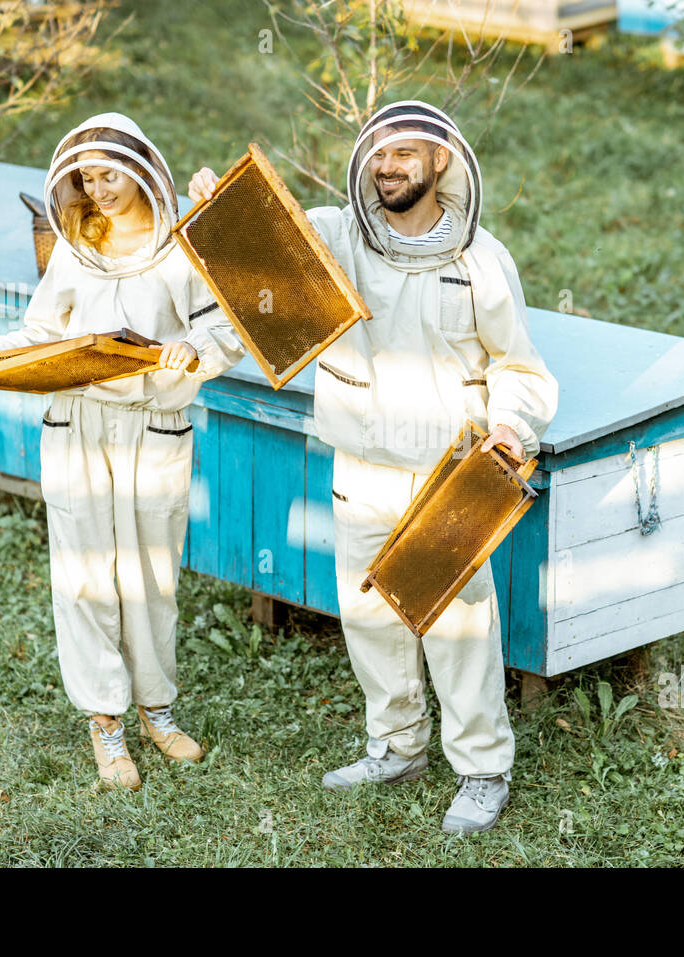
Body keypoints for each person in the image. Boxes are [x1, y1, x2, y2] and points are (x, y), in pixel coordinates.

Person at [190, 101, 557, 833]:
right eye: (377, 155)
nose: (388, 167)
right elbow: (262, 261)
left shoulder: (482, 261)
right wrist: (221, 207)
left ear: (442, 160)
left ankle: (483, 769)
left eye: (405, 153)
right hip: (358, 465)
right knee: (370, 622)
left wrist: (514, 426)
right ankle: (396, 746)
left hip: (450, 479)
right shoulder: (335, 236)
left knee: (461, 631)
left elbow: (520, 368)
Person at [0, 112, 241, 791]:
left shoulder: (180, 248)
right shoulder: (73, 249)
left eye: (110, 175)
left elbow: (223, 334)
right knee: (86, 574)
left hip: (154, 423)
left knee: (151, 577)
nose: (99, 190)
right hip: (79, 422)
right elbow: (40, 331)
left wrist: (193, 352)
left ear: (143, 167)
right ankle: (106, 724)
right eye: (87, 179)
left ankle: (158, 709)